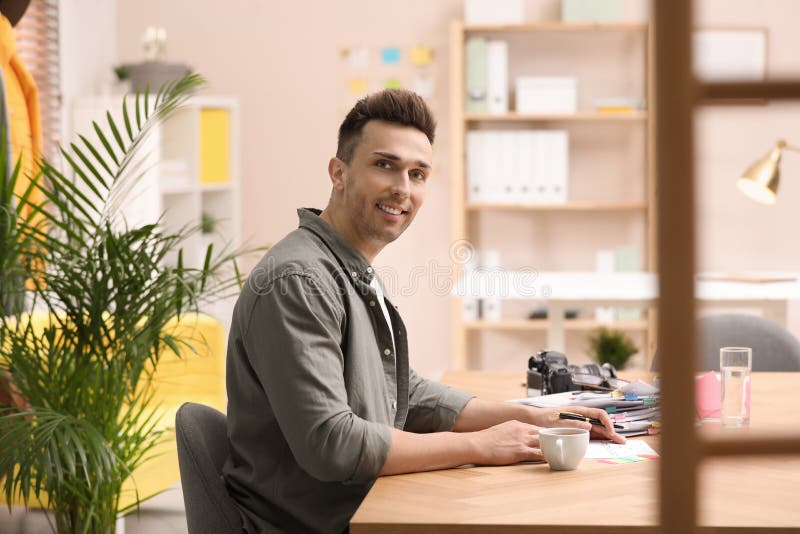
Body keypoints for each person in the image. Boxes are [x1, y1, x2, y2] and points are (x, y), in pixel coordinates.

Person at [223, 89, 625, 533]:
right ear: (338, 173)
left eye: (418, 174)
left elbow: (401, 391)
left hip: (366, 507)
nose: (403, 188)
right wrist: (478, 445)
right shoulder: (298, 281)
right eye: (384, 165)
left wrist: (530, 416)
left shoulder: (348, 267)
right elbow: (331, 443)